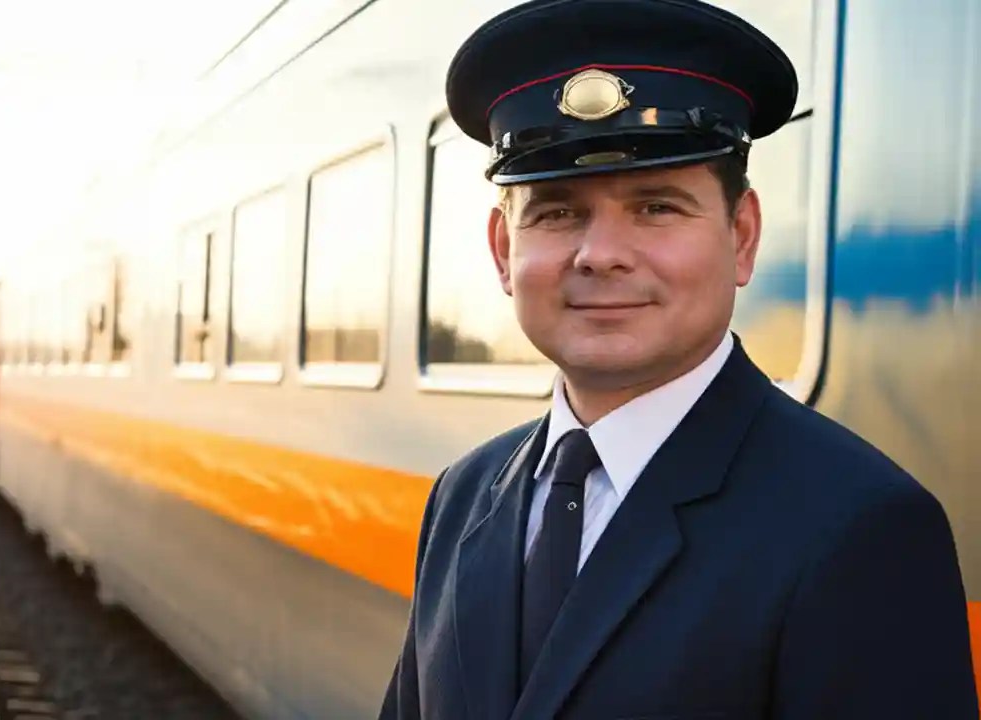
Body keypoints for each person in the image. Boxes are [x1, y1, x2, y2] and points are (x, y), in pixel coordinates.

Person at [378, 0, 979, 718]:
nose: (600, 255)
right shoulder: (463, 495)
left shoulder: (863, 530)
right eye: (557, 211)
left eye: (656, 207)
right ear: (505, 251)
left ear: (743, 236)